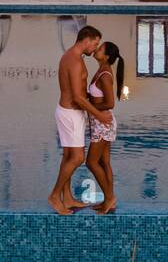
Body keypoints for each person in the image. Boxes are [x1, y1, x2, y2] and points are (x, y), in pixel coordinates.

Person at [50, 24, 112, 214]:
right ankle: (55, 195)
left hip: (66, 111)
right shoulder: (75, 61)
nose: (94, 48)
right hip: (71, 113)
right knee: (77, 158)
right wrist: (99, 114)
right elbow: (77, 97)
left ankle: (67, 198)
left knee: (68, 156)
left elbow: (78, 93)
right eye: (95, 43)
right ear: (86, 40)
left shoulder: (70, 56)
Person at [85, 40, 122, 214]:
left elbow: (110, 103)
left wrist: (88, 106)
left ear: (106, 56)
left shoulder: (105, 75)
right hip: (101, 123)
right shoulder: (101, 71)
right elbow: (96, 97)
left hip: (103, 123)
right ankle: (110, 201)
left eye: (100, 49)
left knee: (91, 162)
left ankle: (109, 197)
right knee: (104, 162)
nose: (96, 50)